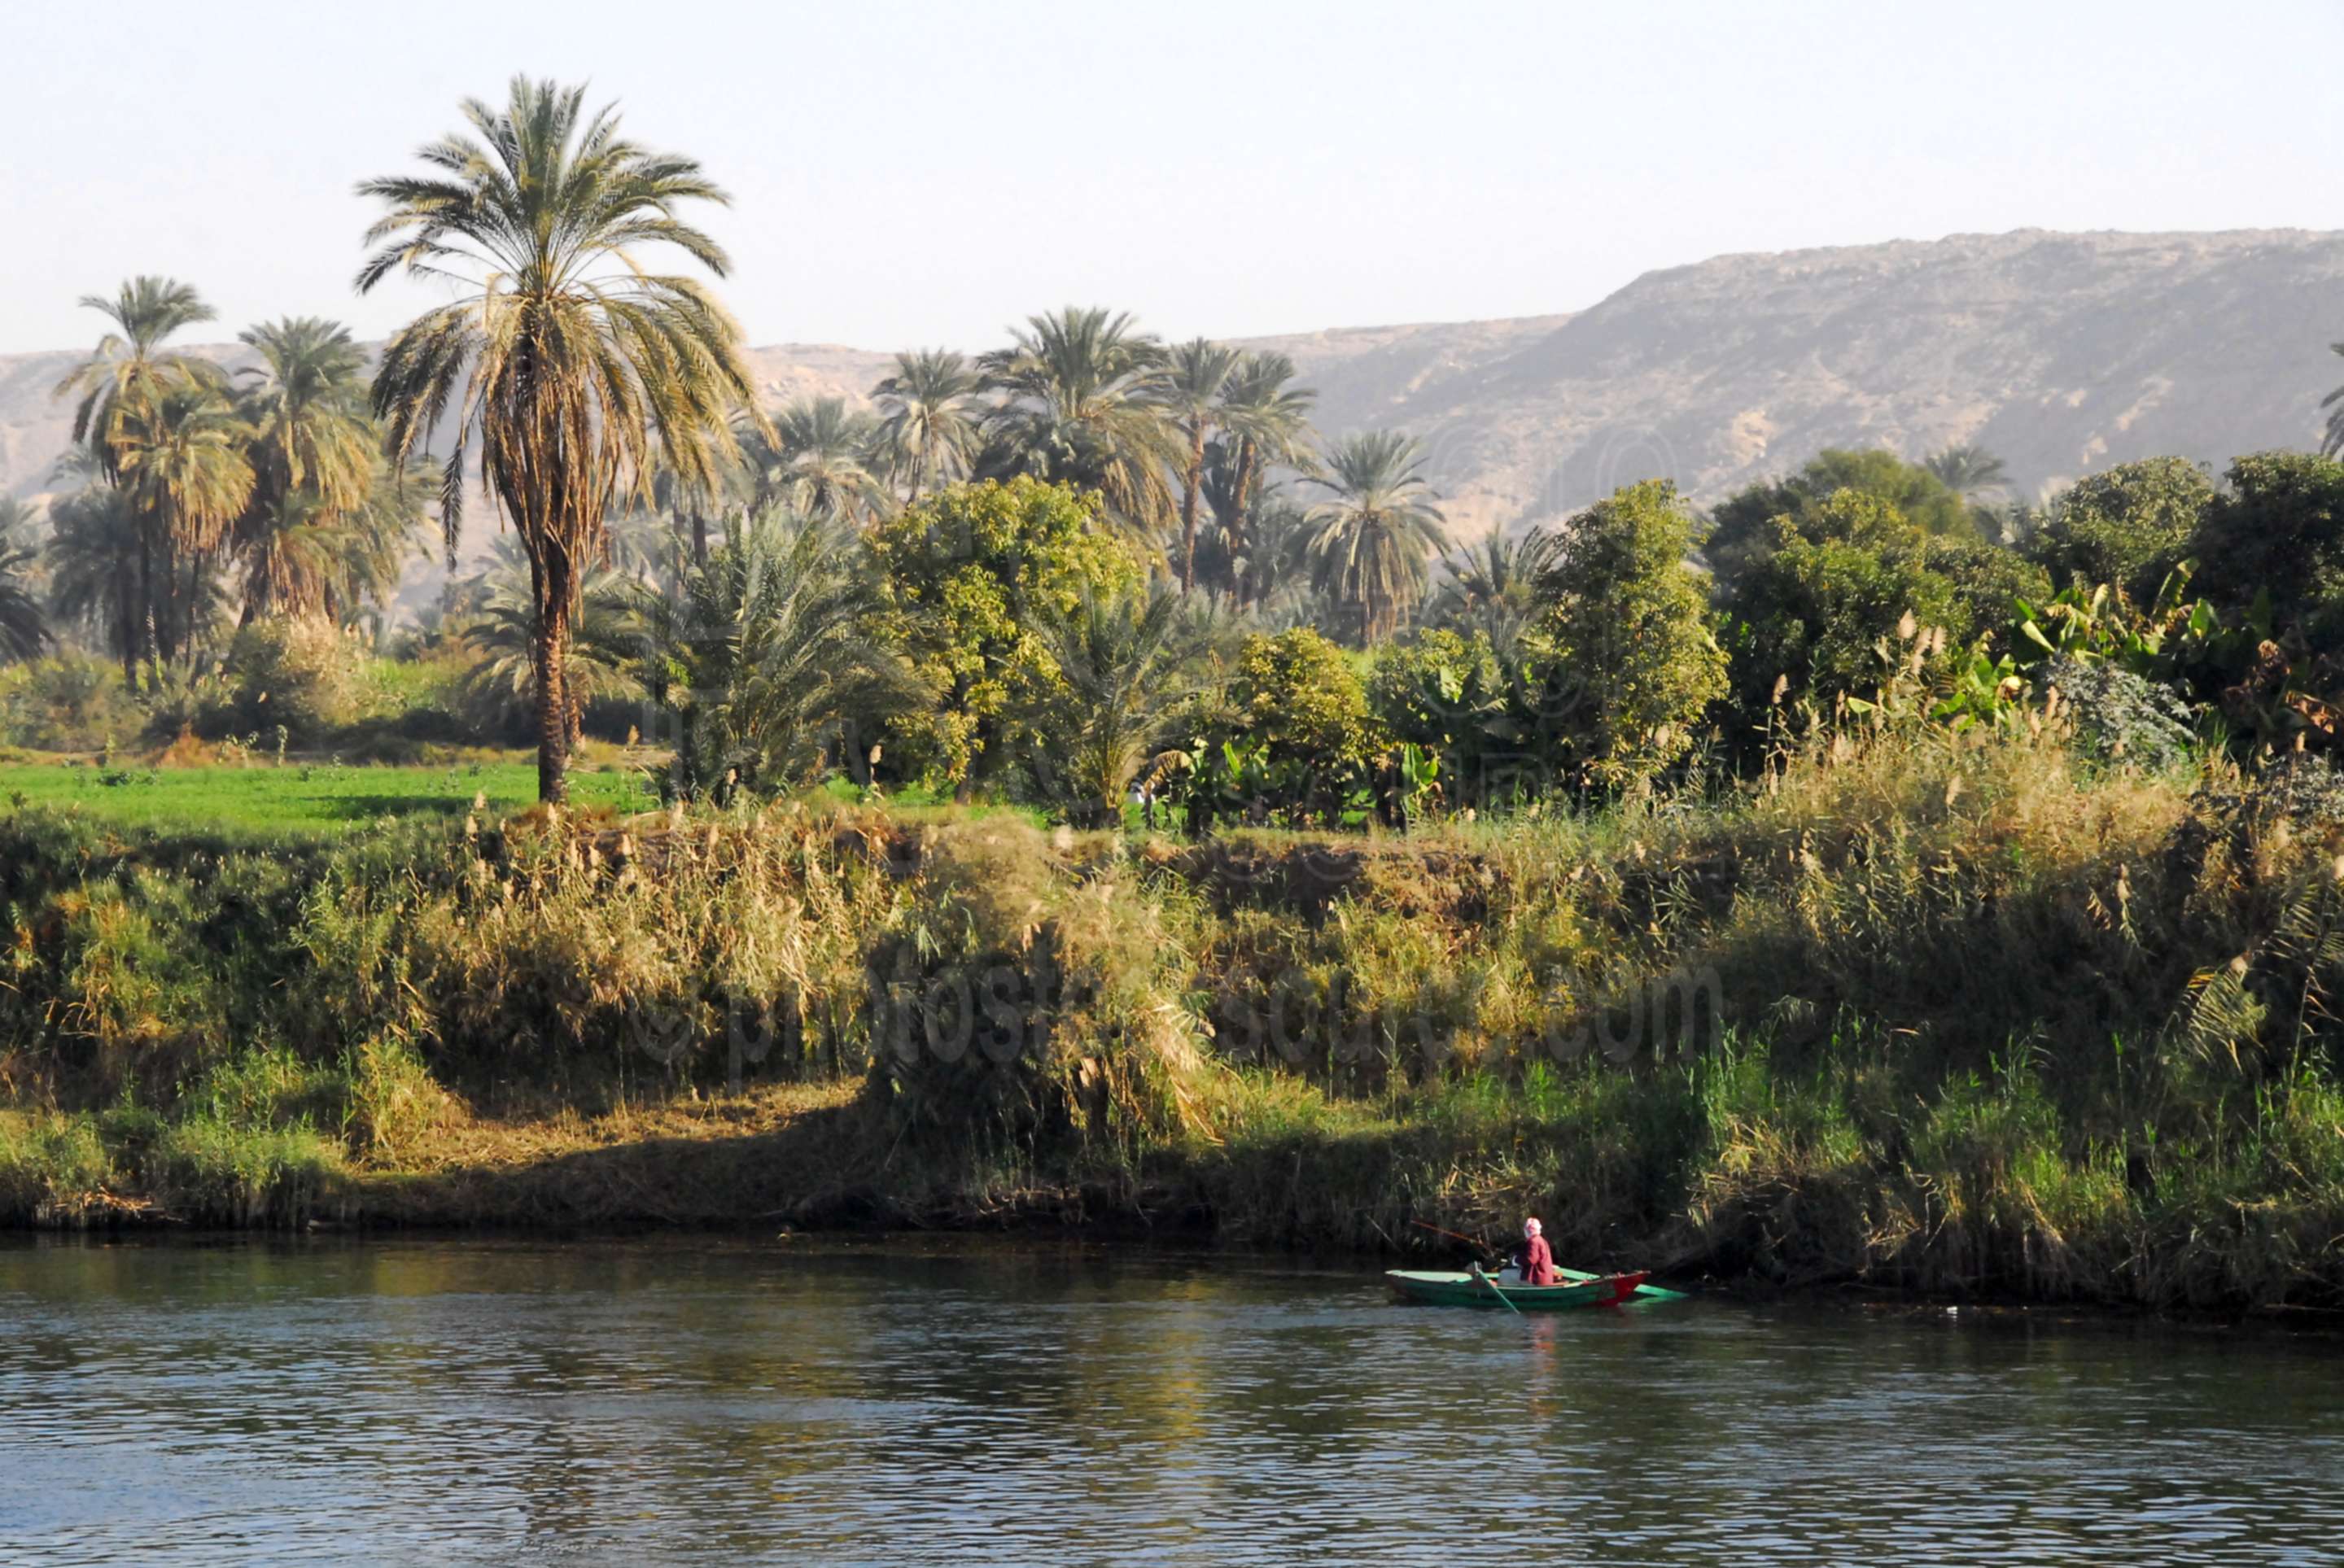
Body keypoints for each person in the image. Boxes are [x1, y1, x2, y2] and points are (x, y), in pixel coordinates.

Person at [1519, 1217, 1557, 1286]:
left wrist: (1515, 1260)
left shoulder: (1533, 1241)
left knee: (1505, 1274)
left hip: (1538, 1281)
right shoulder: (1542, 1240)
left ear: (1527, 1230)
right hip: (1546, 1279)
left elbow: (1530, 1260)